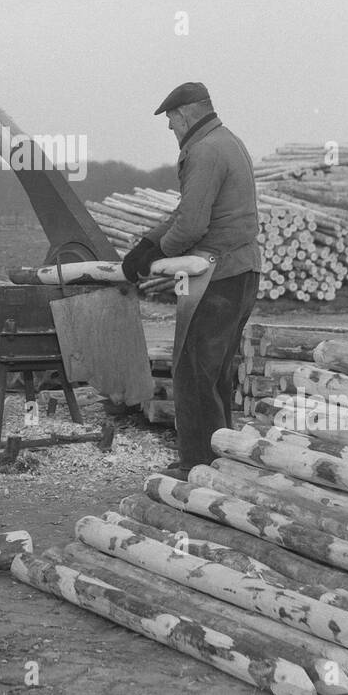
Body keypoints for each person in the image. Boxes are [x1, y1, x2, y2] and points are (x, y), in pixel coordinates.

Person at [121, 83, 262, 476]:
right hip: (241, 270)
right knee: (214, 372)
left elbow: (192, 224)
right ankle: (219, 458)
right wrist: (148, 243)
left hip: (216, 273)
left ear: (185, 114)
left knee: (193, 370)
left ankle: (199, 464)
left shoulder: (203, 151)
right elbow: (188, 211)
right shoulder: (225, 141)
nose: (169, 127)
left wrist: (155, 256)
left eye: (169, 119)